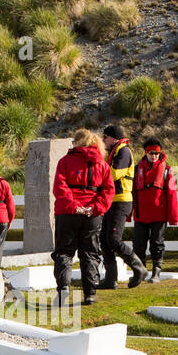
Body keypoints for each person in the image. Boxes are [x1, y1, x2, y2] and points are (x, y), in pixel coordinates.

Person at [52, 129, 114, 305]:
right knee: (90, 252)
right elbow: (108, 190)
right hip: (92, 215)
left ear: (78, 143)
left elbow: (59, 188)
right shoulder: (103, 165)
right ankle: (90, 293)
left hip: (67, 213)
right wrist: (94, 208)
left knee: (64, 251)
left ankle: (63, 287)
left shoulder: (65, 161)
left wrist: (74, 206)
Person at [98, 125, 147, 289]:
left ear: (113, 138)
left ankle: (139, 268)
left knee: (113, 239)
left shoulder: (123, 151)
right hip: (111, 201)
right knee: (104, 241)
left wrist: (98, 172)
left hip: (121, 201)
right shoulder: (114, 152)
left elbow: (114, 174)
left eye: (105, 137)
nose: (103, 140)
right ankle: (110, 280)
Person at [131, 139, 178, 282]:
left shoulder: (167, 170)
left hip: (159, 215)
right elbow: (132, 192)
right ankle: (140, 272)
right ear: (146, 153)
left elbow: (172, 193)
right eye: (151, 153)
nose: (154, 156)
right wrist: (128, 213)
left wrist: (173, 217)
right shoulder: (136, 169)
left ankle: (156, 273)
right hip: (141, 214)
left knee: (157, 244)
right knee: (138, 244)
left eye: (156, 154)